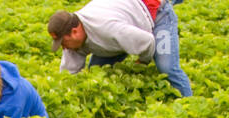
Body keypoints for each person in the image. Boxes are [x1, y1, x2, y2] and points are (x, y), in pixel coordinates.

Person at [48, 0, 192, 98]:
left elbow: (148, 41)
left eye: (63, 42)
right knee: (98, 72)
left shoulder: (108, 28)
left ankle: (189, 103)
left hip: (158, 16)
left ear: (74, 32)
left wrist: (142, 61)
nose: (63, 47)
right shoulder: (73, 39)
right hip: (125, 25)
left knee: (167, 67)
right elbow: (68, 75)